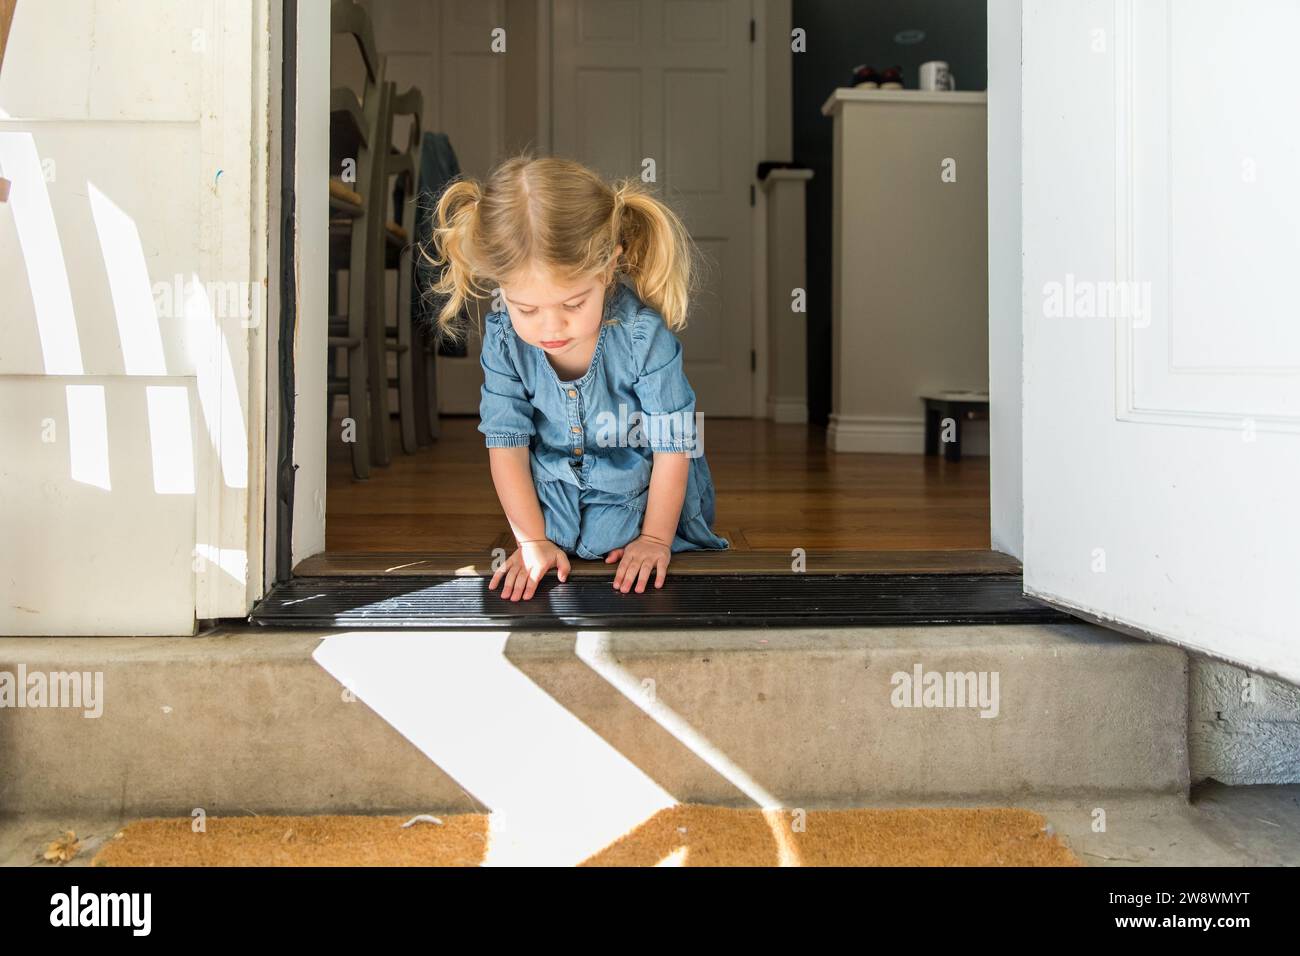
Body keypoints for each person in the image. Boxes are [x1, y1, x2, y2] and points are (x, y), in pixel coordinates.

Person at [424, 155, 729, 601]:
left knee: (615, 533)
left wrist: (655, 540)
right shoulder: (505, 339)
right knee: (554, 532)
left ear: (607, 269)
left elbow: (674, 444)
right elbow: (506, 444)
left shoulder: (643, 336)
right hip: (555, 487)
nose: (550, 328)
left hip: (641, 489)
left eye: (572, 304)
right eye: (526, 308)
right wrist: (531, 541)